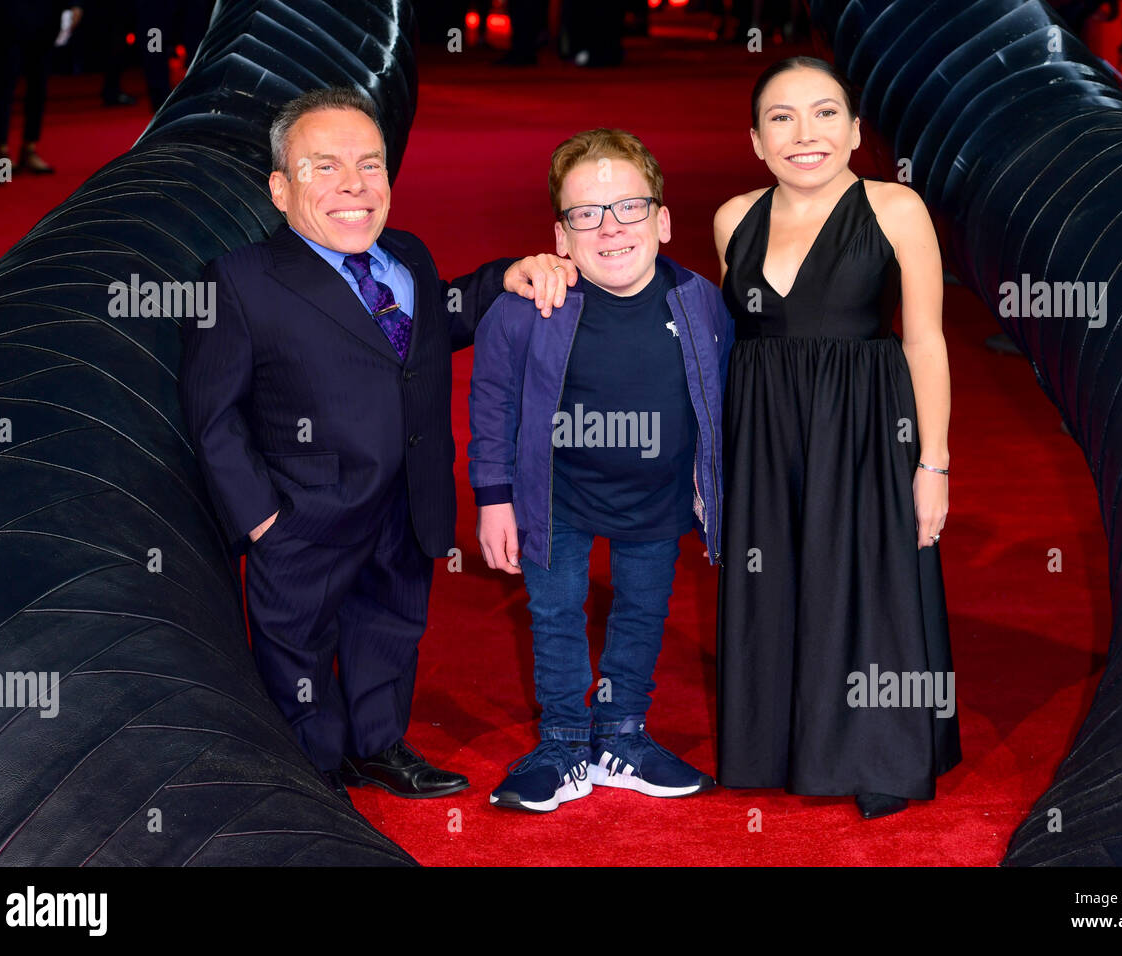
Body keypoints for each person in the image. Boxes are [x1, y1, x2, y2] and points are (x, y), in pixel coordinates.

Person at [179, 87, 573, 802]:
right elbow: (214, 415)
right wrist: (261, 519)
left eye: (370, 165)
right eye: (324, 167)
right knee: (298, 645)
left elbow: (435, 321)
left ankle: (378, 744)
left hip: (408, 494)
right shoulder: (239, 281)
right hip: (303, 513)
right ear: (280, 188)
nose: (354, 185)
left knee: (390, 626)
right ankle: (312, 771)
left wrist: (502, 278)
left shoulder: (407, 257)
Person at [713, 57, 961, 819]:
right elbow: (732, 340)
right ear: (757, 141)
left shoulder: (896, 207)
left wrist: (933, 463)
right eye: (781, 118)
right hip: (764, 432)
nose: (804, 133)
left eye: (825, 113)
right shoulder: (733, 218)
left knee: (869, 581)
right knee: (777, 578)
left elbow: (924, 339)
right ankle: (777, 744)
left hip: (866, 426)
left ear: (855, 131)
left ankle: (879, 752)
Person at [469, 128, 732, 812]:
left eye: (629, 208)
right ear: (561, 236)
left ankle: (621, 736)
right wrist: (494, 498)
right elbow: (492, 403)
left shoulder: (702, 302)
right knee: (555, 612)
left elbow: (723, 395)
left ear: (663, 221)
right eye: (586, 214)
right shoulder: (526, 309)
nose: (610, 227)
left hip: (658, 495)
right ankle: (561, 742)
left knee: (643, 609)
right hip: (558, 495)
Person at [0, 1, 83, 181]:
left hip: (45, 16)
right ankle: (2, 153)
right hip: (10, 15)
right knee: (6, 83)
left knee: (38, 84)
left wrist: (75, 4)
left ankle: (30, 148)